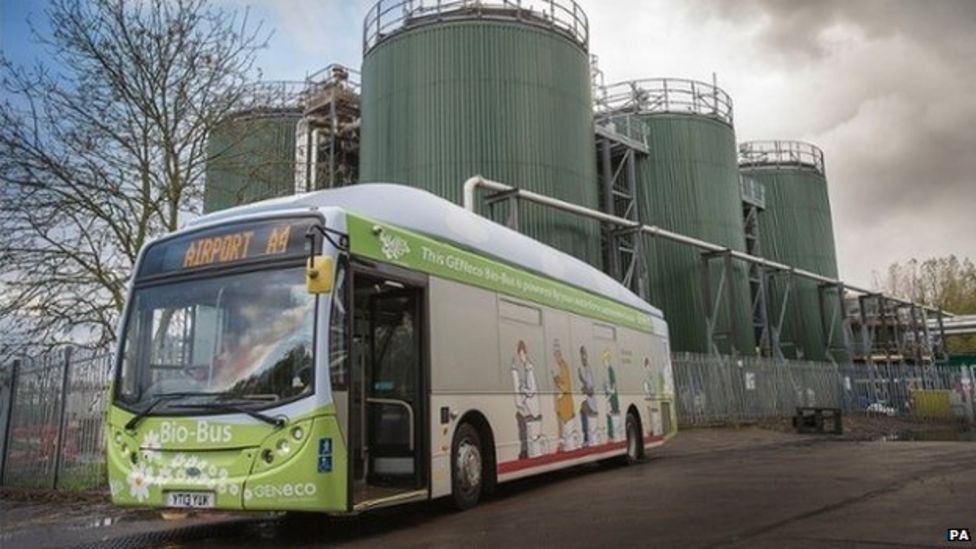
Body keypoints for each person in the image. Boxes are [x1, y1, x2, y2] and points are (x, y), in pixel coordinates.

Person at [512, 340, 544, 459]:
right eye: (519, 355)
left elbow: (531, 390)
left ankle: (536, 456)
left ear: (525, 353)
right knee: (532, 437)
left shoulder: (529, 368)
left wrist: (521, 388)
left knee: (534, 438)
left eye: (521, 354)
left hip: (533, 409)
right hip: (531, 408)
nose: (521, 357)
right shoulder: (527, 368)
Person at [553, 343, 578, 452]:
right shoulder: (561, 366)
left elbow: (566, 387)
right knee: (566, 435)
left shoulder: (563, 367)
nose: (556, 357)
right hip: (563, 409)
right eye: (555, 355)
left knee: (569, 436)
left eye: (557, 354)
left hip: (567, 409)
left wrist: (557, 381)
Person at [577, 346, 599, 447]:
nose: (582, 358)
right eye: (581, 356)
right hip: (590, 400)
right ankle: (586, 437)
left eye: (584, 355)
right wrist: (581, 379)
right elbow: (587, 385)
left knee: (582, 410)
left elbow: (590, 390)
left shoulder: (588, 370)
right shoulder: (586, 369)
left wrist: (584, 389)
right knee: (582, 407)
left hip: (592, 402)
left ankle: (586, 438)